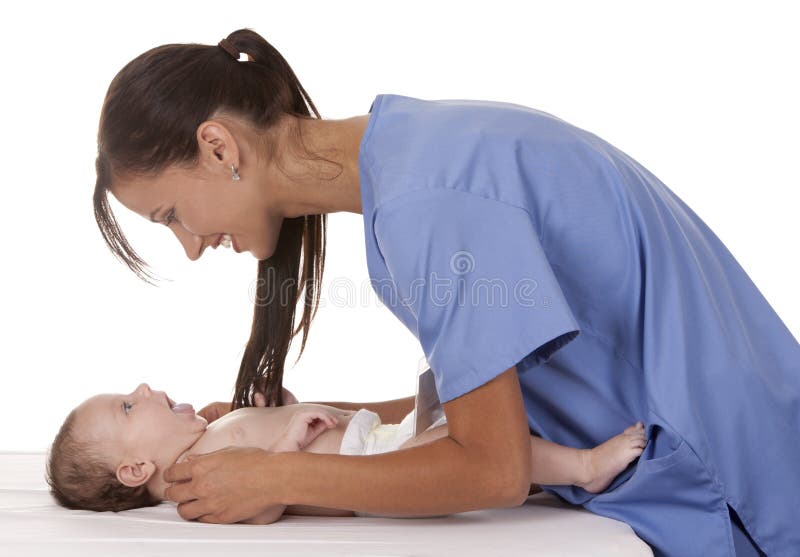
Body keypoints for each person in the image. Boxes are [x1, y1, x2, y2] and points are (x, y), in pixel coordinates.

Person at [90, 28, 799, 556]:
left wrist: (276, 476)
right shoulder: (411, 153)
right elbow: (480, 403)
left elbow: (492, 468)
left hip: (737, 479)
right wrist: (315, 415)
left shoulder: (426, 205)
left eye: (171, 216)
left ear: (218, 148)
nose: (188, 244)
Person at [45, 383, 646, 523]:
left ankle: (553, 470)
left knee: (470, 389)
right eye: (128, 406)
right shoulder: (189, 483)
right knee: (474, 444)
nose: (145, 390)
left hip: (376, 438)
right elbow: (263, 502)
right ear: (134, 470)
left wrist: (280, 407)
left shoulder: (208, 434)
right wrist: (283, 442)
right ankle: (583, 469)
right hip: (376, 462)